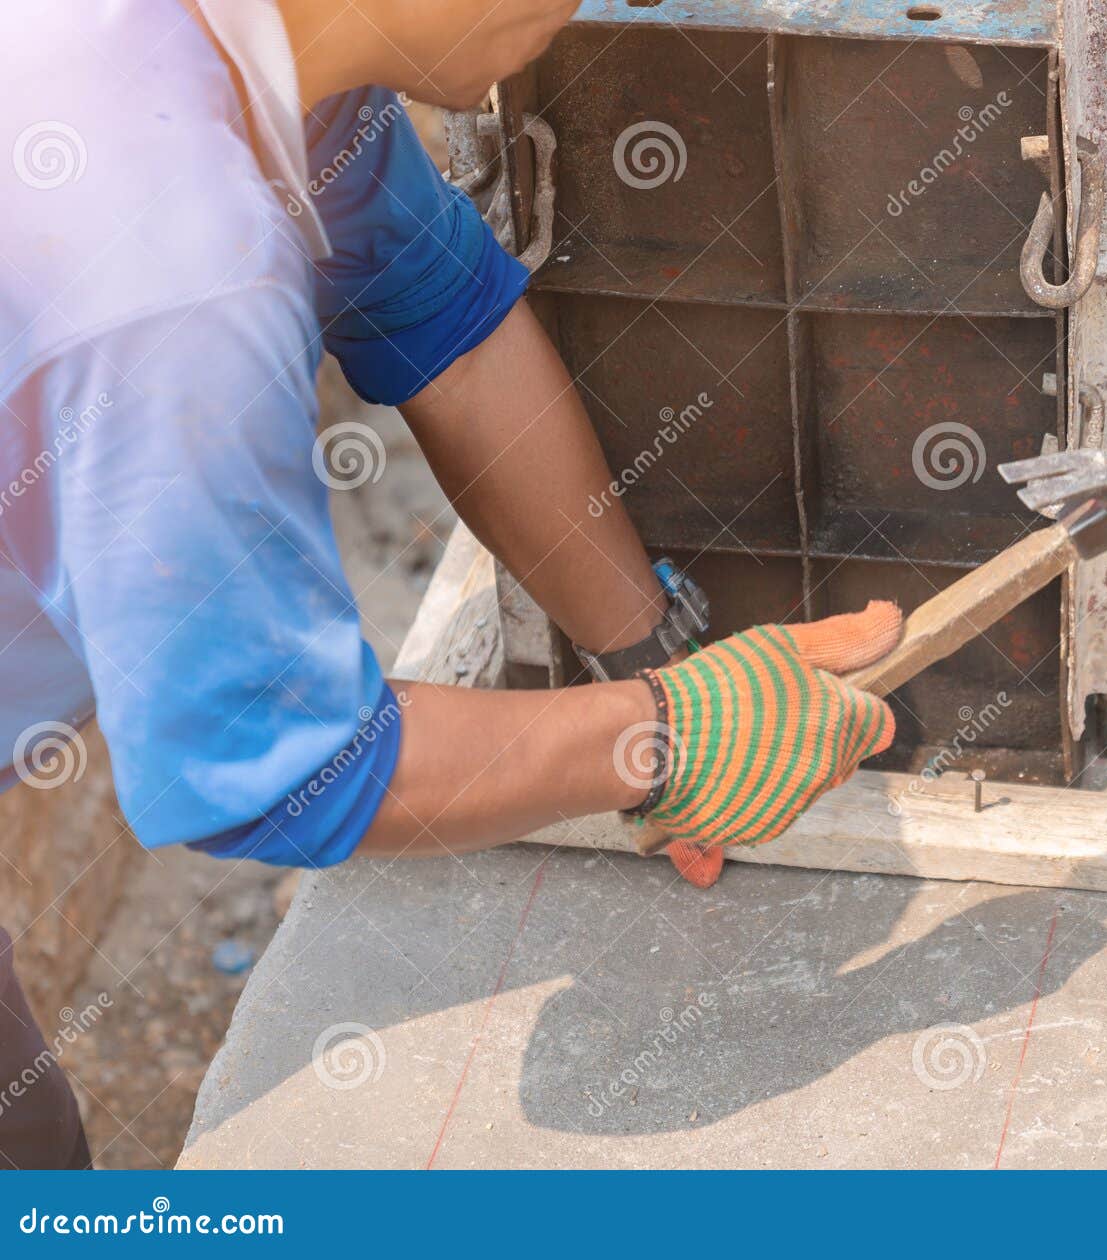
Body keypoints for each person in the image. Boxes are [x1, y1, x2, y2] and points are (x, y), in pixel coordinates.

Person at [0, 0, 900, 1169]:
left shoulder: (249, 53)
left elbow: (444, 325)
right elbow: (280, 763)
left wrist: (644, 654)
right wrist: (667, 740)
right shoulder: (175, 268)